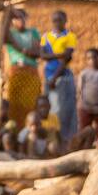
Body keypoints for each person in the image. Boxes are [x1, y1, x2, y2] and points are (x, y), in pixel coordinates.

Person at [40, 10, 78, 143]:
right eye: (54, 20)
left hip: (63, 77)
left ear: (65, 21)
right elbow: (43, 55)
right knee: (50, 108)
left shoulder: (70, 36)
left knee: (64, 110)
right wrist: (60, 55)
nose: (56, 23)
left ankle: (65, 140)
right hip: (48, 76)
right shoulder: (46, 37)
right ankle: (52, 140)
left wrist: (54, 78)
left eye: (59, 20)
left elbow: (66, 59)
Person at [4, 8, 41, 127]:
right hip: (16, 73)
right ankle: (15, 132)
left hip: (31, 73)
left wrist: (20, 49)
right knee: (14, 104)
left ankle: (29, 130)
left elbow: (37, 52)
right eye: (17, 18)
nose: (20, 20)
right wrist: (8, 15)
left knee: (31, 103)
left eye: (23, 17)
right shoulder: (9, 33)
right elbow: (2, 32)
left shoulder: (33, 32)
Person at [77, 47, 98, 134]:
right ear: (86, 60)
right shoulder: (84, 74)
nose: (92, 60)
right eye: (89, 58)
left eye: (94, 57)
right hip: (85, 107)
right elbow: (79, 90)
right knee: (84, 131)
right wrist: (79, 104)